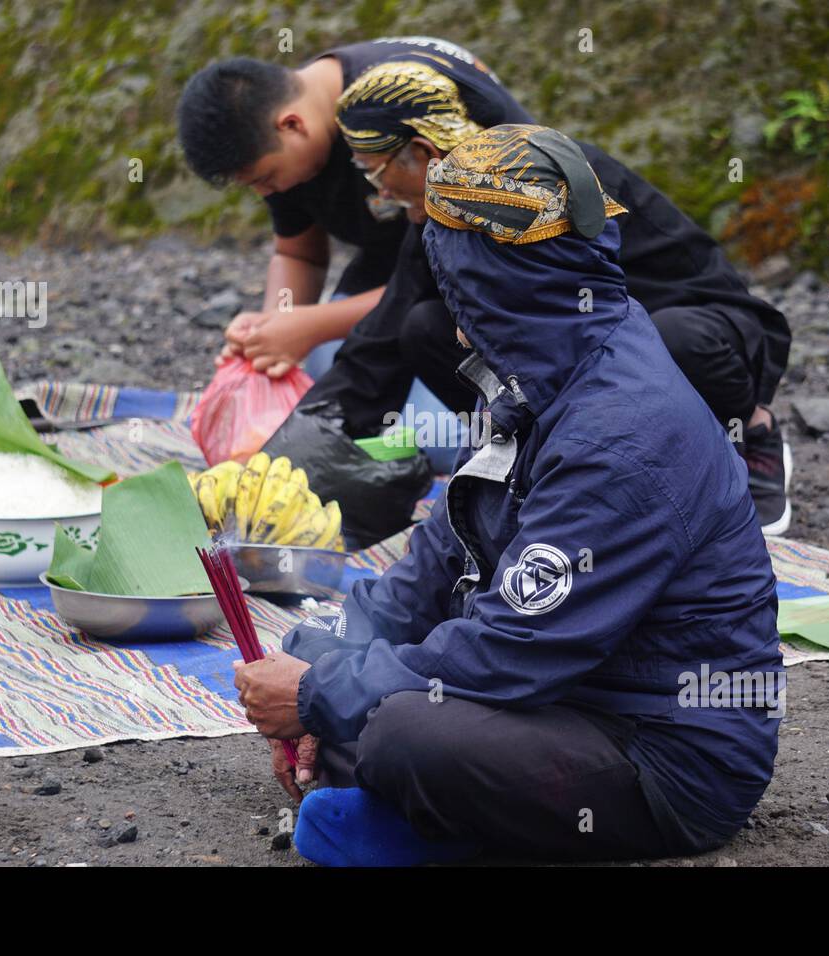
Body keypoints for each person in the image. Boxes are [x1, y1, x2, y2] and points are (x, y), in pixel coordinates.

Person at [232, 126, 784, 865]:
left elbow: (515, 648)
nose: (448, 308)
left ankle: (433, 827)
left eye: (452, 274)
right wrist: (318, 663)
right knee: (333, 667)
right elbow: (438, 558)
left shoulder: (620, 437)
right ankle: (421, 810)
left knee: (401, 732)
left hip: (661, 750)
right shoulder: (535, 372)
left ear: (487, 277)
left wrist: (317, 697)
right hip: (557, 699)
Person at [292, 55, 795, 532]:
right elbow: (384, 332)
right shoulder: (445, 210)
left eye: (375, 172)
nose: (379, 193)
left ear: (423, 152)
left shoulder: (542, 177)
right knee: (424, 327)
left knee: (676, 337)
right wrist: (306, 446)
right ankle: (534, 458)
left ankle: (752, 433)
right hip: (581, 349)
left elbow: (596, 301)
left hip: (658, 327)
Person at [175, 36, 532, 380]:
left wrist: (314, 325)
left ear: (292, 125)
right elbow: (299, 255)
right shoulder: (275, 133)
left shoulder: (403, 102)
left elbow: (462, 270)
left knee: (428, 391)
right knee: (323, 364)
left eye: (265, 179)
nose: (266, 192)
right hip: (391, 263)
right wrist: (271, 330)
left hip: (489, 271)